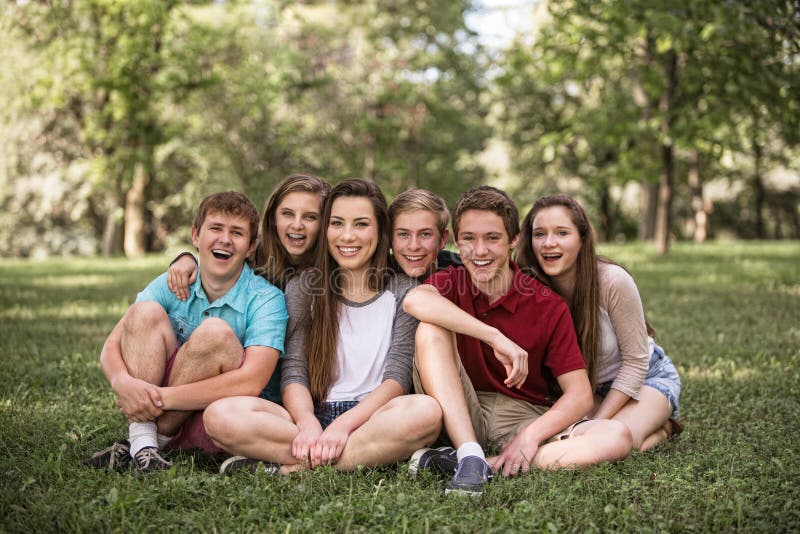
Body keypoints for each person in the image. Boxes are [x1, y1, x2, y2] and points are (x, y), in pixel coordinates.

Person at [403, 186, 632, 496]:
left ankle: (478, 463)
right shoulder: (451, 281)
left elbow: (579, 395)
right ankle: (470, 452)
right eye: (469, 239)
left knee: (615, 437)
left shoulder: (546, 304)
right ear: (457, 241)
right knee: (430, 330)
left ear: (513, 241)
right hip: (460, 406)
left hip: (522, 415)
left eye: (492, 238)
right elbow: (415, 300)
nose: (479, 251)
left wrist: (529, 438)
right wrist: (495, 337)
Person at [203, 179, 441, 474]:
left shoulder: (403, 290)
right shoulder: (304, 287)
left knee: (425, 412)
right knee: (219, 415)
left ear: (381, 232)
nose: (348, 236)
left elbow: (397, 378)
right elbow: (294, 371)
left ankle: (291, 469)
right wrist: (306, 423)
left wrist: (343, 426)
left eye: (361, 224)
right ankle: (350, 458)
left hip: (374, 419)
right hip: (309, 419)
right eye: (337, 223)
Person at [81, 192, 288, 473]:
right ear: (195, 236)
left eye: (237, 233)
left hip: (219, 418)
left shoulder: (267, 299)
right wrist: (123, 384)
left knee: (215, 333)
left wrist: (156, 398)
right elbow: (113, 345)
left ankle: (145, 442)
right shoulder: (171, 283)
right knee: (143, 312)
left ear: (251, 247)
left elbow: (251, 381)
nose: (225, 239)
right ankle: (145, 446)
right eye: (215, 228)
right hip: (164, 410)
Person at [516, 194, 682, 450]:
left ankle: (664, 426)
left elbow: (636, 362)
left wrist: (596, 424)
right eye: (540, 234)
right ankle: (659, 426)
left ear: (582, 239)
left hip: (645, 380)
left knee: (619, 439)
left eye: (561, 233)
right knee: (598, 439)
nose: (549, 243)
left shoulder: (612, 281)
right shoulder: (529, 286)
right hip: (586, 391)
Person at [167, 174, 331, 295]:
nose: (297, 225)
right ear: (273, 217)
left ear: (325, 223)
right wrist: (187, 259)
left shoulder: (332, 267)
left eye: (310, 217)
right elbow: (217, 259)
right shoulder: (255, 252)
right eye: (287, 214)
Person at [388, 188, 460, 280]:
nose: (414, 246)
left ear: (443, 239)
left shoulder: (467, 273)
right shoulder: (374, 275)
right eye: (403, 234)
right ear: (390, 238)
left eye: (425, 234)